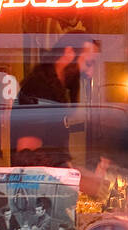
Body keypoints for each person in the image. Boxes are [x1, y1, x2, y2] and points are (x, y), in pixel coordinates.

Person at [10, 32, 101, 167]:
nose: (90, 73)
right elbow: (27, 155)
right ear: (69, 52)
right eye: (88, 63)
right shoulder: (39, 90)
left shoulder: (55, 90)